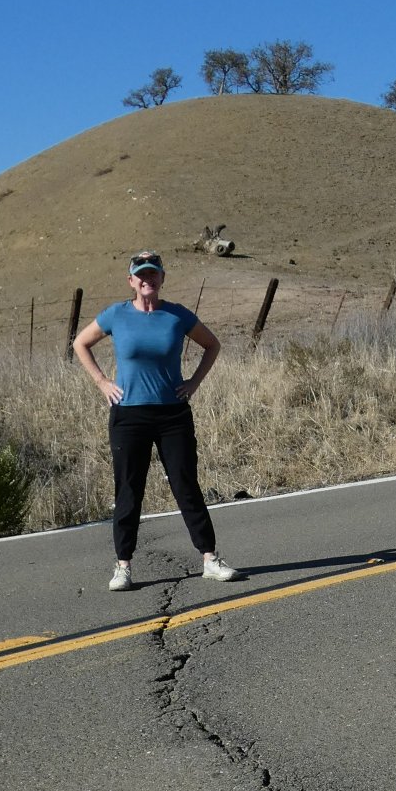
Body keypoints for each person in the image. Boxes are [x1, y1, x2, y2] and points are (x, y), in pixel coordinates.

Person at [72, 250, 239, 592]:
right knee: (129, 490)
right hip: (129, 415)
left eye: (153, 274)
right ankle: (123, 567)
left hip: (172, 414)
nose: (147, 280)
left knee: (185, 485)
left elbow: (212, 345)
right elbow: (80, 343)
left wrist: (193, 383)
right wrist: (103, 382)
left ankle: (210, 559)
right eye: (141, 275)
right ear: (131, 281)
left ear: (162, 278)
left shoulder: (176, 316)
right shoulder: (116, 315)